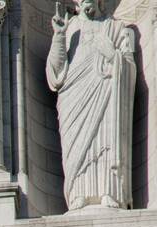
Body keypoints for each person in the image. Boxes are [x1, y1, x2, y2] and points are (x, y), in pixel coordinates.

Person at [45, 0, 136, 210]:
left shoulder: (115, 27)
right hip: (74, 98)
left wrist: (113, 56)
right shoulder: (70, 27)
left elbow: (129, 69)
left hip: (106, 93)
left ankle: (109, 191)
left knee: (105, 139)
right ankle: (78, 193)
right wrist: (59, 36)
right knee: (77, 144)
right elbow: (55, 74)